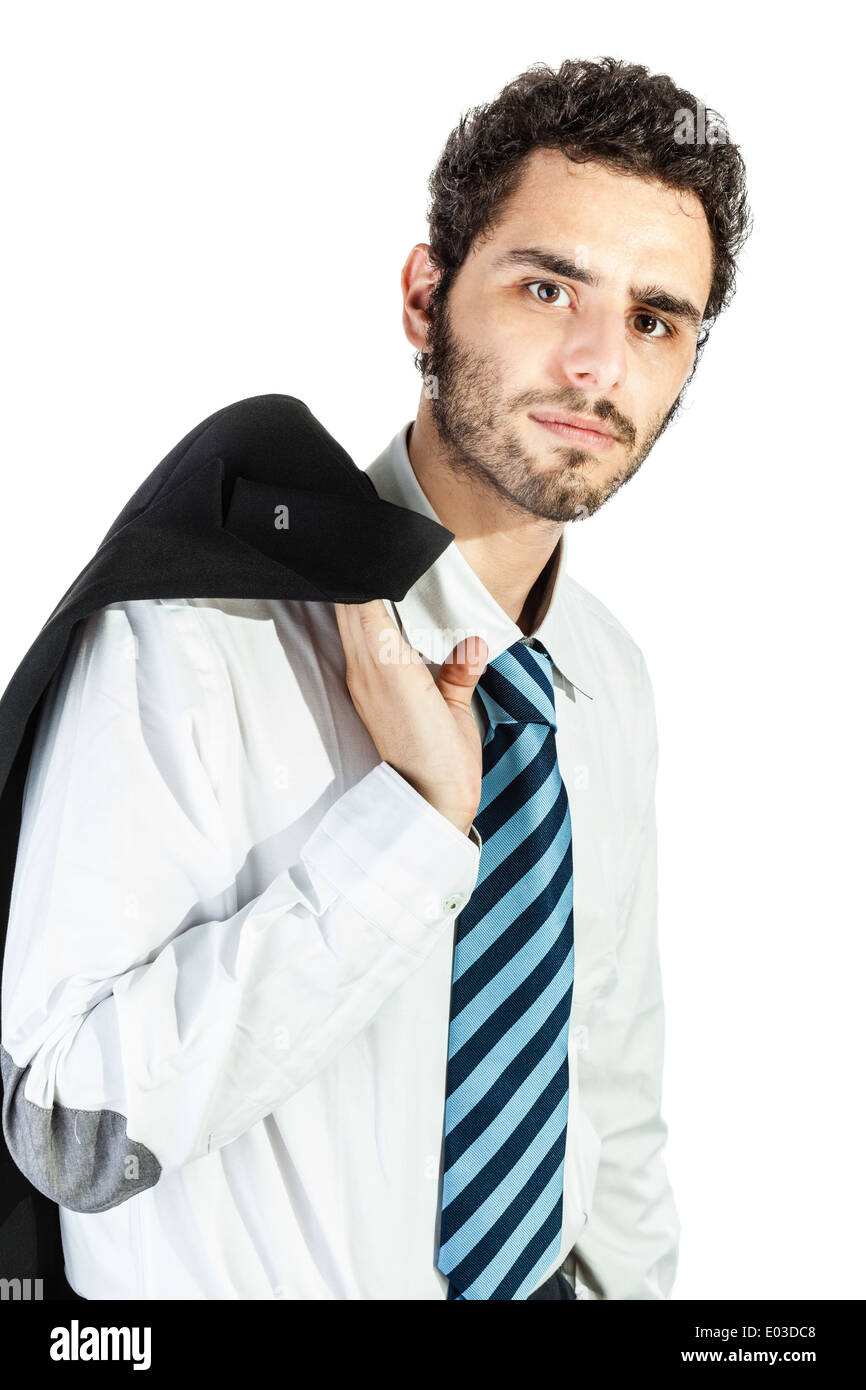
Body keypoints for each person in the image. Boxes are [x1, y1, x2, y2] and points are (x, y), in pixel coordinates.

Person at [0, 56, 750, 1300]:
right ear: (423, 299)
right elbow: (69, 1117)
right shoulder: (203, 629)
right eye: (546, 284)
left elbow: (607, 1091)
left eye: (652, 319)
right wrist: (410, 828)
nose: (594, 363)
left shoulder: (605, 678)